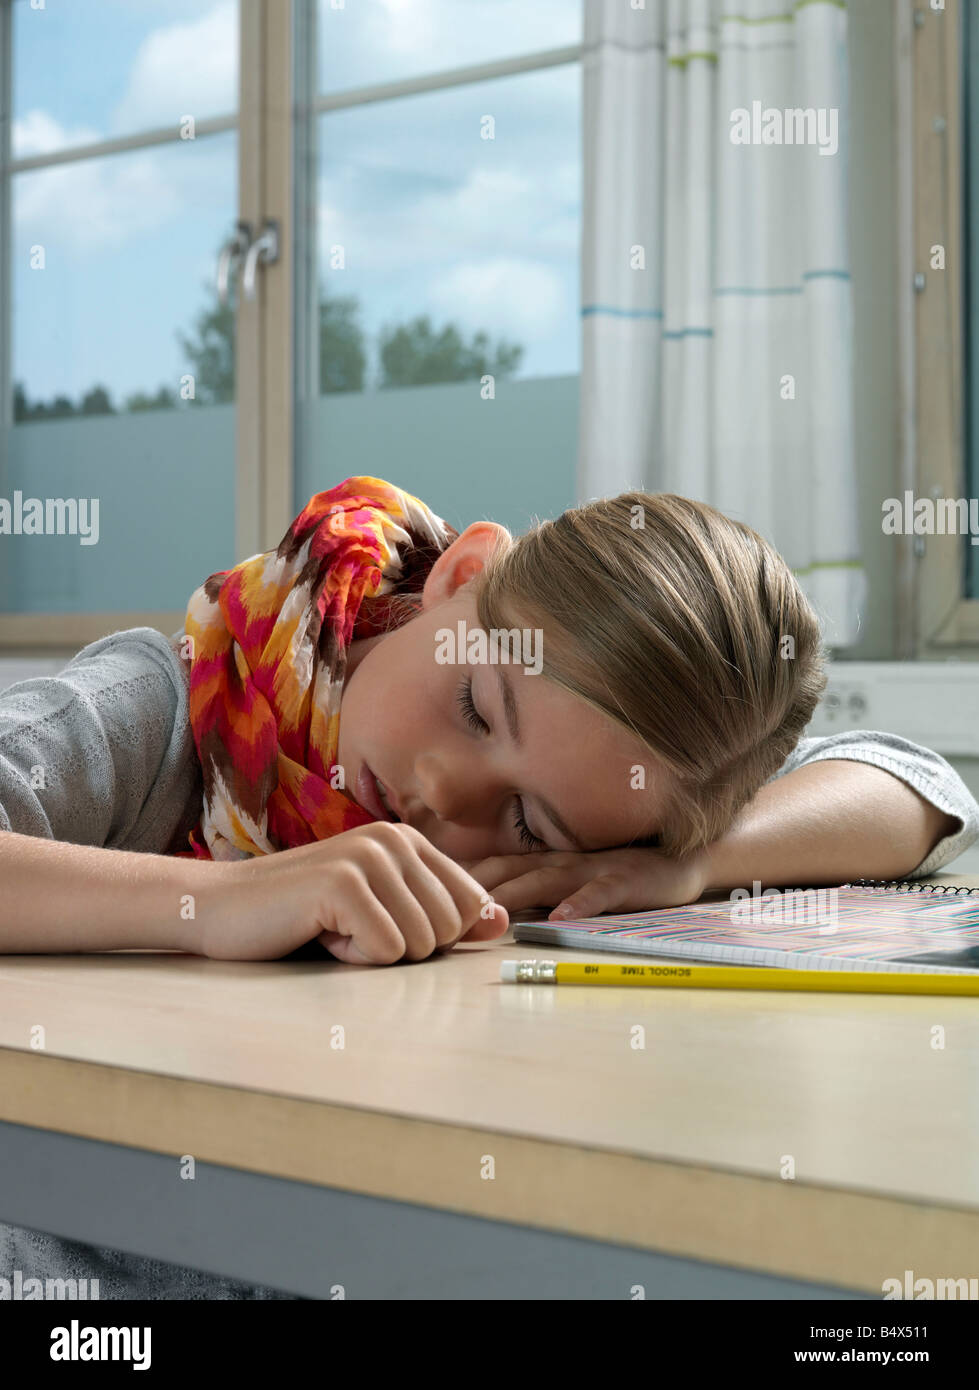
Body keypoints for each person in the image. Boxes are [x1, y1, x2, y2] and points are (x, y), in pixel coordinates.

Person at [2, 475, 976, 1296]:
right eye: (475, 706)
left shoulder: (621, 784)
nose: (445, 792)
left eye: (529, 822)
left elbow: (916, 787)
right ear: (460, 577)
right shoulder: (161, 705)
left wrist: (690, 862)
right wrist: (212, 904)